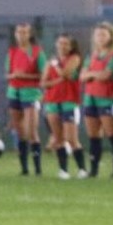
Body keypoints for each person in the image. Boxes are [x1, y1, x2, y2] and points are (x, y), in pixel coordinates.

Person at [79, 22, 113, 179]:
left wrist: (92, 74)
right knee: (93, 136)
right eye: (98, 34)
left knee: (112, 135)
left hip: (107, 99)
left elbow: (106, 76)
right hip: (90, 98)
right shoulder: (90, 56)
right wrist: (95, 74)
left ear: (110, 37)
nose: (100, 37)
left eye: (104, 34)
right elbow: (82, 76)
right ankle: (94, 169)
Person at [40, 33, 85, 178]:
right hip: (52, 101)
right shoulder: (50, 62)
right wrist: (55, 82)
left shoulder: (74, 59)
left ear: (71, 46)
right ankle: (63, 170)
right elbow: (43, 82)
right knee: (58, 138)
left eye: (66, 44)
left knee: (72, 138)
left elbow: (65, 74)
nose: (62, 46)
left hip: (69, 101)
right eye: (60, 43)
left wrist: (57, 66)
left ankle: (82, 169)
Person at [4, 23, 45, 177]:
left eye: (24, 32)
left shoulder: (36, 52)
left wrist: (23, 76)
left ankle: (38, 168)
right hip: (14, 93)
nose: (21, 35)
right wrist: (14, 76)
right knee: (20, 131)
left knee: (31, 130)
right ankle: (24, 168)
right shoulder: (12, 52)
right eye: (19, 32)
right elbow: (8, 74)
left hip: (31, 94)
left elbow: (43, 75)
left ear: (30, 34)